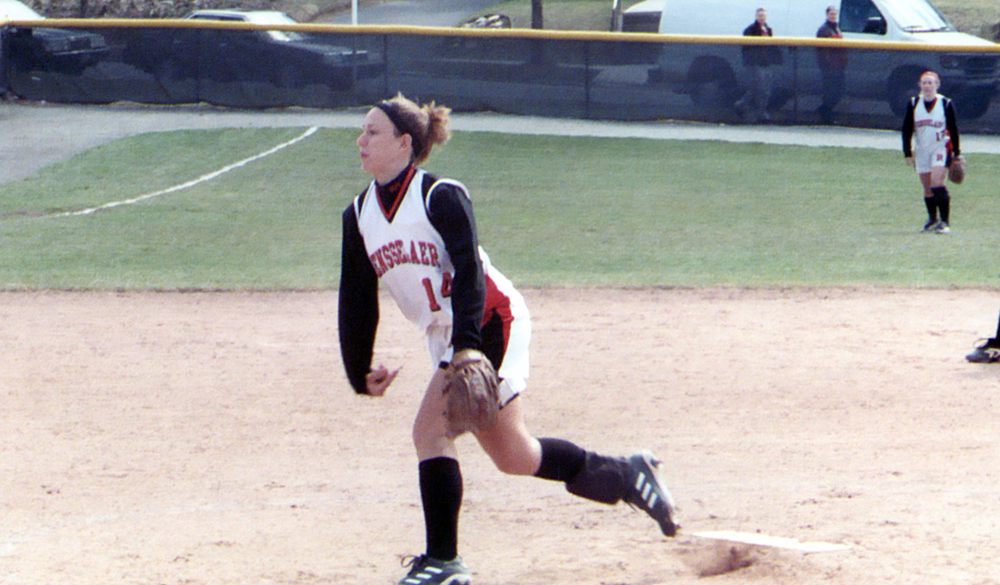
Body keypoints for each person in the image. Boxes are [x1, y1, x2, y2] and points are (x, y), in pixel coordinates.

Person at [338, 94, 678, 585]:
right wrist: (358, 369)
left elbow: (471, 272)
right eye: (362, 130)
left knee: (429, 432)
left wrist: (469, 347)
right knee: (514, 455)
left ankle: (443, 562)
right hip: (448, 334)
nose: (360, 140)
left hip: (488, 320)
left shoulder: (440, 195)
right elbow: (356, 298)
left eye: (372, 132)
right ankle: (627, 475)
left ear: (404, 142)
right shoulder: (359, 216)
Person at [901, 70, 960, 234]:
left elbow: (954, 129)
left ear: (937, 85)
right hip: (921, 149)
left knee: (937, 183)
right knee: (927, 187)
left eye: (930, 83)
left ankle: (945, 222)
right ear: (919, 85)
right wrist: (907, 152)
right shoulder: (913, 103)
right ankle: (932, 218)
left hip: (940, 147)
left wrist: (956, 152)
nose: (927, 86)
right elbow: (906, 129)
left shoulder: (945, 103)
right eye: (924, 83)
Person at [736, 7, 783, 123]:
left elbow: (772, 46)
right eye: (760, 15)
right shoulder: (750, 30)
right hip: (756, 64)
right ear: (756, 16)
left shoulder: (768, 29)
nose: (762, 17)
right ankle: (756, 111)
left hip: (767, 63)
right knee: (760, 87)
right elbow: (747, 48)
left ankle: (748, 107)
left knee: (764, 88)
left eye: (764, 15)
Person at [815, 6, 847, 124]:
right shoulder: (824, 30)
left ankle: (824, 110)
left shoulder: (836, 29)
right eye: (831, 14)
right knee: (830, 91)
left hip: (838, 66)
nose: (833, 16)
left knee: (838, 91)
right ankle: (825, 114)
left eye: (835, 14)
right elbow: (821, 50)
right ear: (827, 14)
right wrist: (827, 64)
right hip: (829, 67)